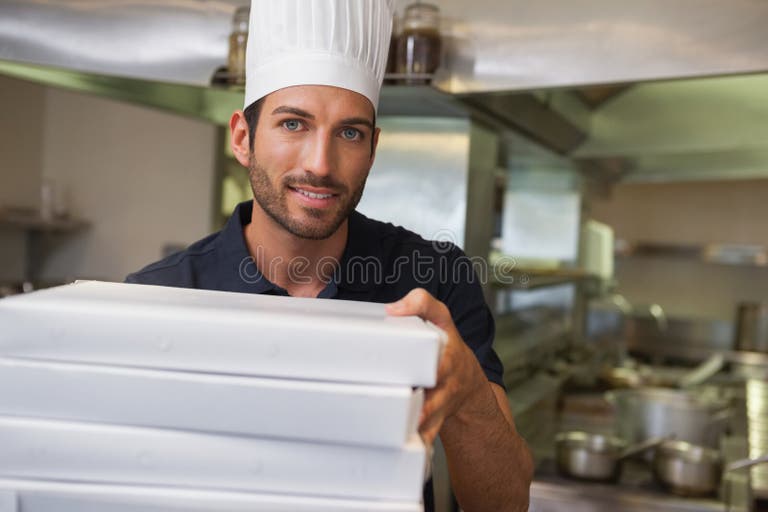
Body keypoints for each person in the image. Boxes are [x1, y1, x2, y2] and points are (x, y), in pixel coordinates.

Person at [126, 0, 533, 510]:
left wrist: (469, 391)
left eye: (349, 133)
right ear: (243, 138)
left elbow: (506, 502)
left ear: (373, 146)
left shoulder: (433, 281)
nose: (321, 165)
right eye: (294, 124)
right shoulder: (160, 299)